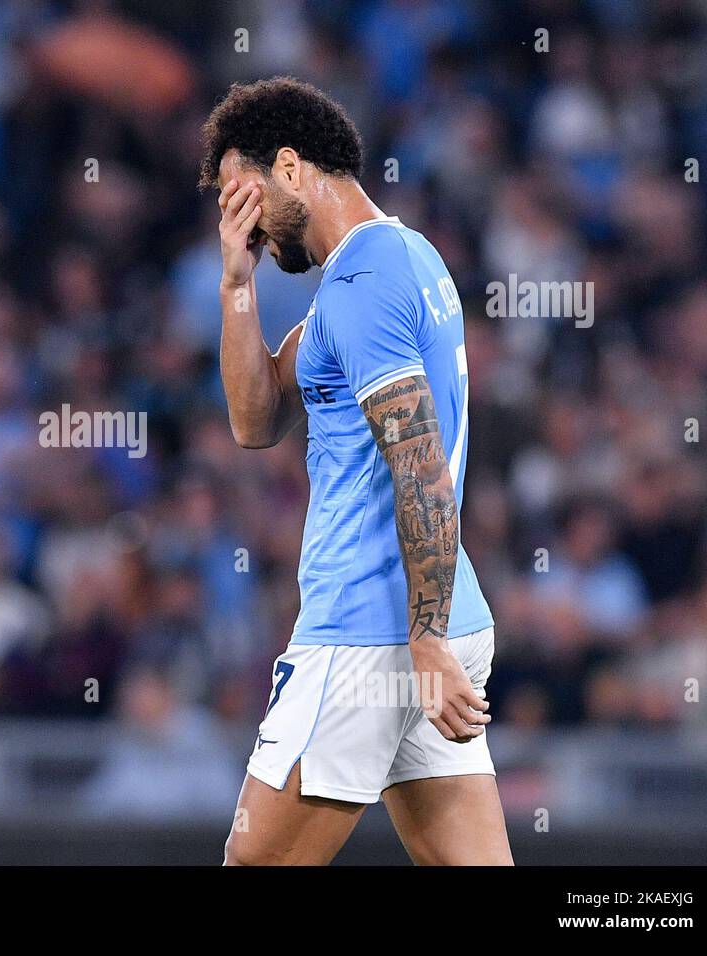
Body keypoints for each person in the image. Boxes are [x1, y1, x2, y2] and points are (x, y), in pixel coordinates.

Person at [199, 77, 511, 865]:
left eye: (247, 200)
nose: (252, 230)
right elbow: (255, 420)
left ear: (294, 169)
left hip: (369, 636)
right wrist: (238, 284)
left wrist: (425, 639)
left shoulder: (360, 289)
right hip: (431, 627)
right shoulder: (397, 259)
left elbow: (421, 468)